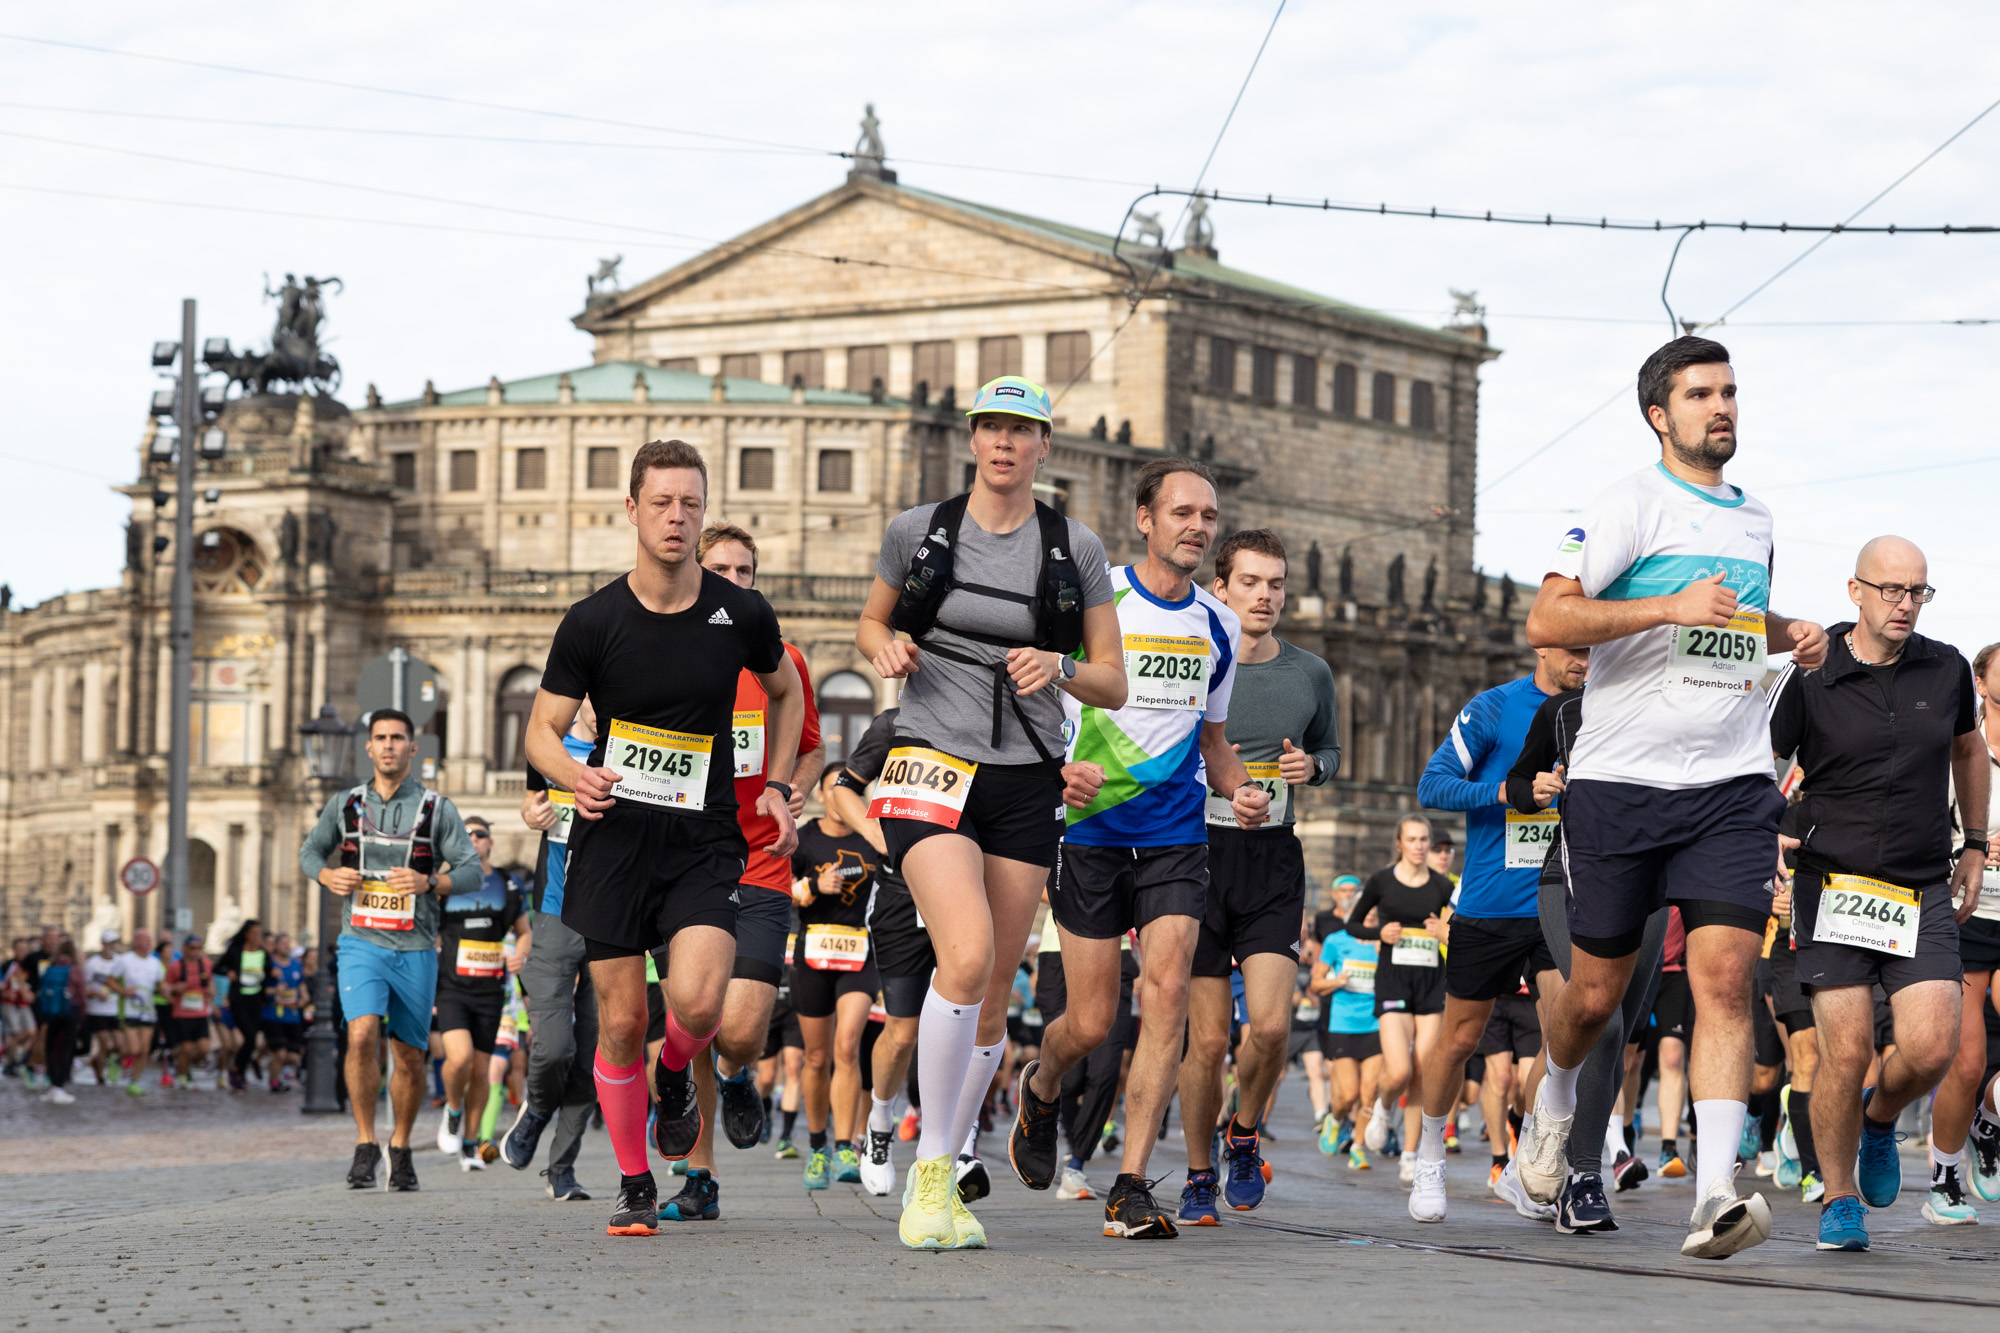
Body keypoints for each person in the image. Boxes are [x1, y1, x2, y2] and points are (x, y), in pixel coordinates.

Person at [1518, 335, 1826, 1261]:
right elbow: (1550, 617)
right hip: (1621, 785)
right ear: (1661, 414)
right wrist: (1664, 607)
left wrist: (1789, 630)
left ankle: (1720, 1190)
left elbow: (1732, 616)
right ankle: (1554, 1099)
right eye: (1700, 394)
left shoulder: (1757, 518)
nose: (1721, 407)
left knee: (1726, 980)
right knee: (1595, 994)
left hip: (1731, 785)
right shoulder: (1628, 503)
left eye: (1729, 391)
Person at [858, 376, 1125, 1249]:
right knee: (964, 955)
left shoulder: (1073, 545)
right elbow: (869, 626)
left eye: (1023, 430)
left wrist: (1061, 668)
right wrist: (888, 644)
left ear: (1045, 447)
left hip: (1026, 776)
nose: (1006, 443)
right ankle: (930, 1170)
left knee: (988, 994)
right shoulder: (919, 530)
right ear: (972, 439)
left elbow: (1111, 680)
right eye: (992, 428)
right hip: (931, 759)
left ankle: (950, 1157)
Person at [525, 438, 805, 1238]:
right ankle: (636, 1180)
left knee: (698, 1000)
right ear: (632, 510)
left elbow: (786, 695)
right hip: (612, 840)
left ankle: (676, 1070)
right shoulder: (592, 620)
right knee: (616, 1025)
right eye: (661, 503)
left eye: (690, 502)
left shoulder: (739, 612)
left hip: (705, 840)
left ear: (705, 509)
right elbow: (543, 730)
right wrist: (570, 776)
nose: (677, 517)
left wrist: (780, 787)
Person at [1014, 455, 1267, 1240]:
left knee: (1164, 1000)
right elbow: (1022, 699)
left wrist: (1239, 789)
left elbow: (1214, 741)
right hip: (1089, 831)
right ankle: (1041, 1082)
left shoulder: (1218, 623)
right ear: (1145, 520)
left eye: (1209, 517)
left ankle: (1130, 1184)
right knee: (1089, 1024)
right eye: (1183, 513)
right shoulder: (1095, 602)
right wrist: (1060, 768)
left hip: (1174, 833)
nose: (1198, 527)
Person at [1766, 535, 1987, 1250]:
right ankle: (1838, 1195)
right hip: (1832, 882)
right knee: (1846, 1047)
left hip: (1920, 883)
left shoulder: (1947, 666)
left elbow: (1967, 749)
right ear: (1854, 590)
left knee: (1929, 1048)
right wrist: (1765, 828)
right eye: (1891, 589)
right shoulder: (1811, 670)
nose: (1905, 604)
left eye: (1918, 591)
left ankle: (1882, 1117)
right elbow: (1762, 757)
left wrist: (1975, 842)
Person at [659, 522, 825, 1224]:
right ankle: (700, 1176)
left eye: (745, 570)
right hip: (683, 864)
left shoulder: (780, 660)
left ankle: (736, 1075)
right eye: (719, 567)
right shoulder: (661, 653)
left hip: (759, 861)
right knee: (692, 1015)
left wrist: (785, 790)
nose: (732, 580)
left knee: (741, 1031)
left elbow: (813, 749)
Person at [1174, 528, 1337, 1220]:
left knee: (1269, 1030)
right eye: (1251, 582)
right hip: (1197, 855)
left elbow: (1329, 747)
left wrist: (1314, 768)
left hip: (1274, 859)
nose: (1265, 595)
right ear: (1222, 587)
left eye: (1275, 583)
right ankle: (1198, 1172)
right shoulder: (1194, 660)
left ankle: (1244, 1132)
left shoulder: (1310, 672)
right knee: (1208, 1040)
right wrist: (1213, 777)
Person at [1403, 644, 1588, 1223]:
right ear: (1541, 642)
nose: (1586, 659)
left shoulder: (1606, 707)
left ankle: (1527, 1158)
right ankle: (1429, 1154)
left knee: (1567, 1035)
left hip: (1563, 903)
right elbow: (1432, 787)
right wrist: (1506, 792)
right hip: (1490, 903)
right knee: (1459, 1040)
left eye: (1594, 648)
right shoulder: (1494, 707)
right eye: (1576, 648)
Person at [1504, 681, 1672, 1230]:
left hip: (1653, 886)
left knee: (1620, 1036)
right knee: (1602, 1015)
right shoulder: (1564, 710)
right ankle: (1583, 1175)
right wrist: (1538, 787)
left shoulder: (1675, 700)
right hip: (1571, 875)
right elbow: (1517, 783)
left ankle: (1552, 1140)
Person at [301, 707, 482, 1193]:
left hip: (417, 946)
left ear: (412, 747)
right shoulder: (345, 805)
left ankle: (400, 1146)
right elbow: (310, 852)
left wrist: (431, 880)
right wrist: (327, 874)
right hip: (361, 941)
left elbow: (472, 871)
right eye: (380, 738)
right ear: (368, 746)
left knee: (409, 1056)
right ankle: (365, 1143)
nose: (388, 746)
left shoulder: (436, 808)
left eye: (397, 738)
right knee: (361, 1035)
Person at [827, 706, 937, 1198]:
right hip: (899, 900)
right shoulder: (894, 723)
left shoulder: (991, 721)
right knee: (904, 1029)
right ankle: (879, 1123)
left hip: (966, 894)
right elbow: (842, 789)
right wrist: (876, 836)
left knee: (969, 1020)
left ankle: (955, 1147)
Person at [501, 700, 598, 1202]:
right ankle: (536, 1109)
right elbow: (533, 801)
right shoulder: (548, 745)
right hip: (556, 912)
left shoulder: (642, 750)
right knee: (555, 1046)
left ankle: (562, 1168)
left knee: (595, 1058)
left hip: (615, 922)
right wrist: (530, 810)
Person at [788, 768, 882, 1190]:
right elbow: (779, 886)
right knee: (815, 1057)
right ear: (825, 795)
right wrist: (811, 885)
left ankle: (847, 1145)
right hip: (812, 951)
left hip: (860, 953)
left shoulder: (873, 837)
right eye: (835, 791)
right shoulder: (804, 837)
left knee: (847, 1046)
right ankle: (817, 1147)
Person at [1349, 816, 1456, 1180]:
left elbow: (1459, 932)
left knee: (1423, 1069)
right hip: (1393, 981)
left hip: (1430, 983)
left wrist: (1443, 931)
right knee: (1399, 1069)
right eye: (1412, 839)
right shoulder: (1382, 881)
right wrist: (1381, 931)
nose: (1420, 846)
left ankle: (1410, 1153)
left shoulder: (1443, 886)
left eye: (1424, 839)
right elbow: (1353, 923)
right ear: (1399, 844)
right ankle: (1382, 1106)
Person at [434, 816, 532, 1171]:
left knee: (480, 1072)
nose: (473, 839)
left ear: (490, 842)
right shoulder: (445, 884)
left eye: (480, 834)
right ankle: (453, 1110)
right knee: (457, 1059)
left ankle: (471, 1145)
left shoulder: (508, 883)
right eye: (466, 835)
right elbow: (432, 933)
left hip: (490, 990)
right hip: (452, 988)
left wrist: (521, 953)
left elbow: (523, 930)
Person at [1940, 643, 2000, 1209]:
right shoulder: (1960, 749)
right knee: (1967, 1062)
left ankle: (1988, 1119)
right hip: (1968, 913)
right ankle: (1943, 1180)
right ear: (1980, 683)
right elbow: (1926, 826)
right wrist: (1976, 847)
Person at [1312, 903, 1382, 1170]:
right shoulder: (1336, 941)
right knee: (1348, 1094)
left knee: (1369, 1092)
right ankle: (1336, 1118)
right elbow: (1316, 984)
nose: (1370, 920)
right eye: (1366, 915)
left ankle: (1358, 1147)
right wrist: (1335, 982)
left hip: (1375, 1023)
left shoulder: (1382, 943)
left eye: (1375, 917)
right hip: (1343, 1023)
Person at [218, 922, 273, 1093]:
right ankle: (235, 1070)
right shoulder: (236, 950)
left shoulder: (263, 953)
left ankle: (238, 1072)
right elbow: (218, 966)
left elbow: (269, 972)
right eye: (255, 933)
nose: (258, 936)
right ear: (246, 934)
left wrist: (273, 974)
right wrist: (229, 972)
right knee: (249, 1037)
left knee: (252, 1039)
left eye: (260, 933)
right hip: (239, 999)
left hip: (256, 1000)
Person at [111, 929, 165, 1097]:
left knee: (144, 1050)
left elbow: (160, 984)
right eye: (143, 940)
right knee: (133, 1049)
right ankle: (116, 1058)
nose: (147, 943)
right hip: (129, 1009)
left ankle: (134, 1082)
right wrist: (122, 991)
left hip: (148, 1011)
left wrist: (167, 990)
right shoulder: (125, 960)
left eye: (149, 940)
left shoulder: (155, 963)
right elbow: (110, 980)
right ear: (135, 942)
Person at [33, 938, 83, 1104]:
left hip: (52, 1012)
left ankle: (53, 1082)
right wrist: (82, 1016)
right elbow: (81, 994)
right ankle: (60, 1086)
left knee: (51, 1048)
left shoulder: (51, 966)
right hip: (70, 1011)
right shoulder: (74, 969)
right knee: (66, 1049)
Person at [81, 930, 127, 1086]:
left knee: (121, 1045)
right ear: (103, 944)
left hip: (115, 1009)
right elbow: (82, 988)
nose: (112, 946)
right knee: (104, 1044)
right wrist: (94, 993)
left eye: (114, 942)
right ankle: (100, 1077)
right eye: (109, 943)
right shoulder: (92, 964)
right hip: (97, 1010)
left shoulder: (120, 961)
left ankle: (101, 1061)